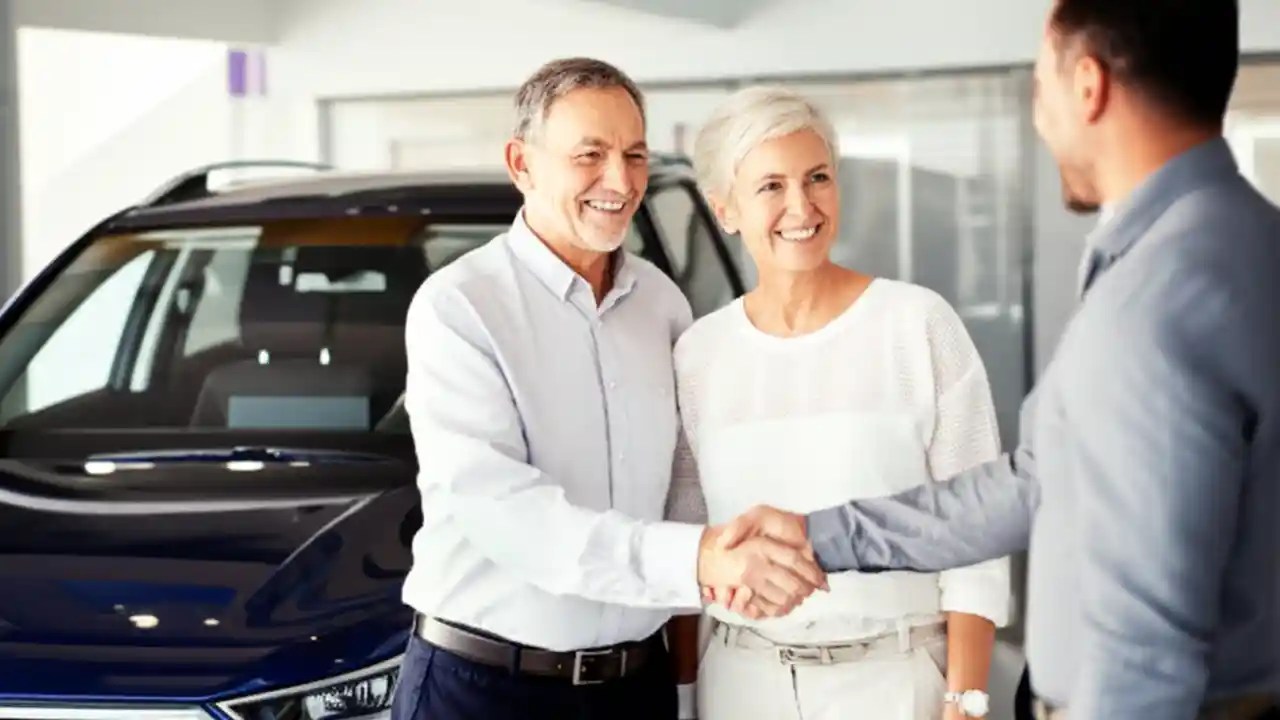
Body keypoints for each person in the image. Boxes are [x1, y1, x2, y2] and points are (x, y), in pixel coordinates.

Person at [712, 2, 1280, 719]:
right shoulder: (1237, 242)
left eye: (1038, 86)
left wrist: (968, 689)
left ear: (1087, 85)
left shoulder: (1160, 295)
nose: (1038, 118)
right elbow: (1038, 481)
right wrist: (820, 534)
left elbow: (1145, 645)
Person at [390, 57, 827, 720]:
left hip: (634, 689)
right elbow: (509, 514)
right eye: (589, 154)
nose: (620, 182)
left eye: (634, 154)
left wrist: (715, 608)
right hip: (485, 691)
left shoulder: (661, 303)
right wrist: (704, 558)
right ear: (522, 164)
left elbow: (684, 488)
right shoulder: (460, 308)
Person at [662, 85, 1011, 720]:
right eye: (770, 186)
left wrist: (967, 698)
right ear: (725, 209)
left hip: (896, 682)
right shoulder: (698, 354)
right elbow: (688, 543)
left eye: (817, 177)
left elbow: (979, 527)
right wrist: (685, 697)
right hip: (741, 685)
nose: (801, 205)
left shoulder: (918, 323)